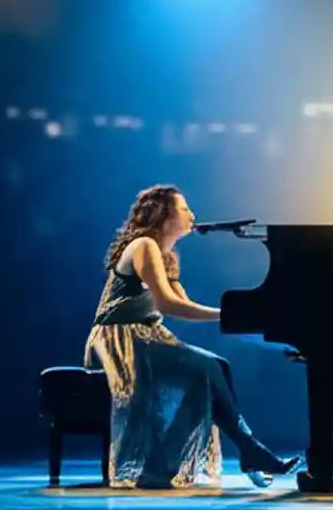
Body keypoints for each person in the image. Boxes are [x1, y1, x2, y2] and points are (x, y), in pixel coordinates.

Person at [84, 184, 300, 489]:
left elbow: (182, 305)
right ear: (165, 214)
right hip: (119, 338)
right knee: (208, 367)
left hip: (145, 336)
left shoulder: (165, 256)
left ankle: (162, 467)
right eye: (184, 209)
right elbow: (167, 305)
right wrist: (227, 314)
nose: (192, 215)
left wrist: (235, 316)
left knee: (217, 366)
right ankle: (251, 451)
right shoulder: (144, 245)